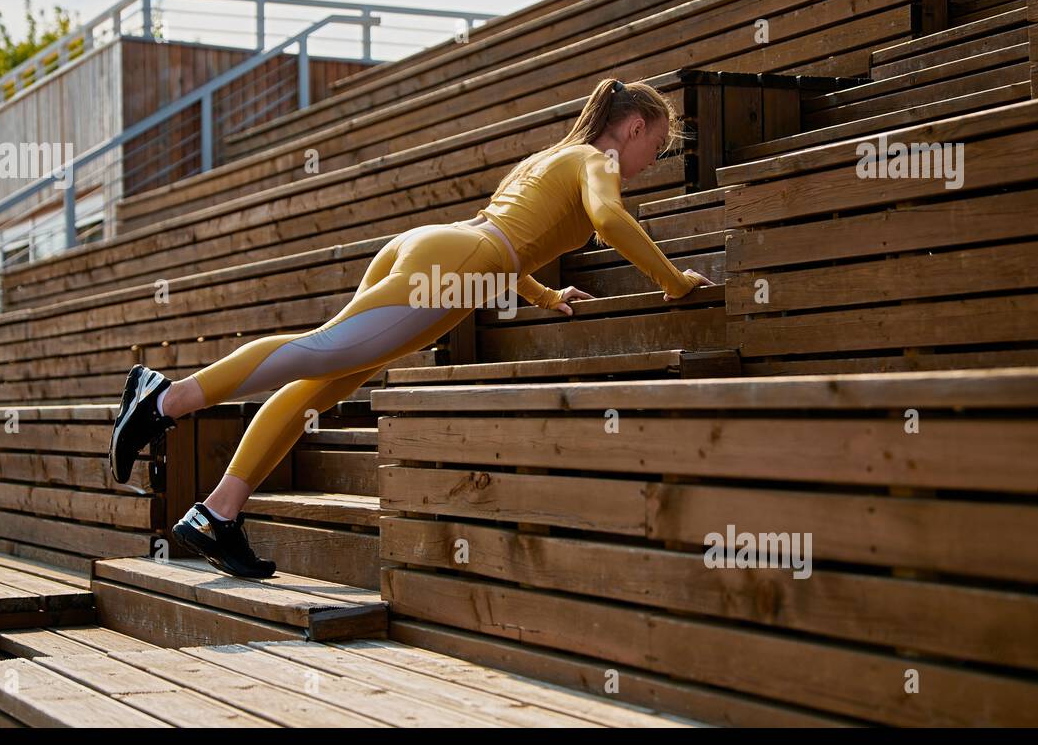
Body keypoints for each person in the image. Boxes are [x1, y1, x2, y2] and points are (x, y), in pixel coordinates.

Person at [108, 77, 715, 578]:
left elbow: (514, 236)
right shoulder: (595, 159)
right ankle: (165, 398)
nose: (648, 162)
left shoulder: (549, 158)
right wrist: (673, 280)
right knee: (316, 355)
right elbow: (607, 220)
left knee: (317, 384)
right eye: (654, 147)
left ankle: (218, 513)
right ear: (633, 128)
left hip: (441, 249)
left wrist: (542, 292)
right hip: (458, 267)